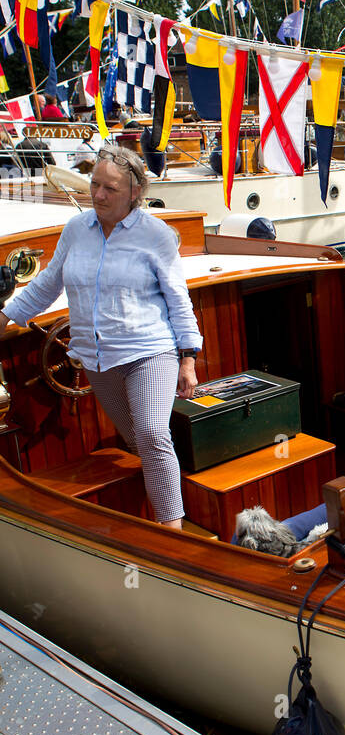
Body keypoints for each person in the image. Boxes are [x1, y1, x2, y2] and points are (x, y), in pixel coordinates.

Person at [0, 146, 202, 530]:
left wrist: (188, 358)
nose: (98, 196)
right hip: (95, 360)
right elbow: (47, 282)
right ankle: (160, 497)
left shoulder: (155, 235)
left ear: (134, 192)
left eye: (109, 188)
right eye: (94, 185)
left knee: (152, 433)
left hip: (149, 351)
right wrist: (7, 315)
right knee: (135, 440)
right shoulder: (77, 229)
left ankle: (173, 534)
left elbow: (179, 298)